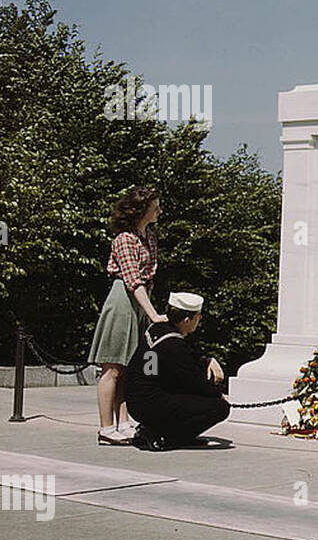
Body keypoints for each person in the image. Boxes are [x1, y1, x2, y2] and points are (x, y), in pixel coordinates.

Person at [88, 185, 167, 445]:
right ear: (141, 209)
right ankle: (105, 427)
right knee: (112, 367)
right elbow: (133, 280)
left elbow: (147, 278)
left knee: (127, 368)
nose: (159, 210)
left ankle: (123, 422)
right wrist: (153, 315)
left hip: (138, 302)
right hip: (124, 299)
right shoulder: (124, 239)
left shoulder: (149, 237)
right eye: (154, 206)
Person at [124, 292, 230, 451]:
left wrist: (207, 360)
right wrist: (219, 393)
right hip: (150, 404)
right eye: (198, 317)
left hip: (138, 400)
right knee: (219, 408)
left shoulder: (157, 329)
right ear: (187, 320)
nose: (200, 320)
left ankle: (164, 432)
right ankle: (165, 436)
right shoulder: (173, 344)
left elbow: (185, 357)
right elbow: (193, 382)